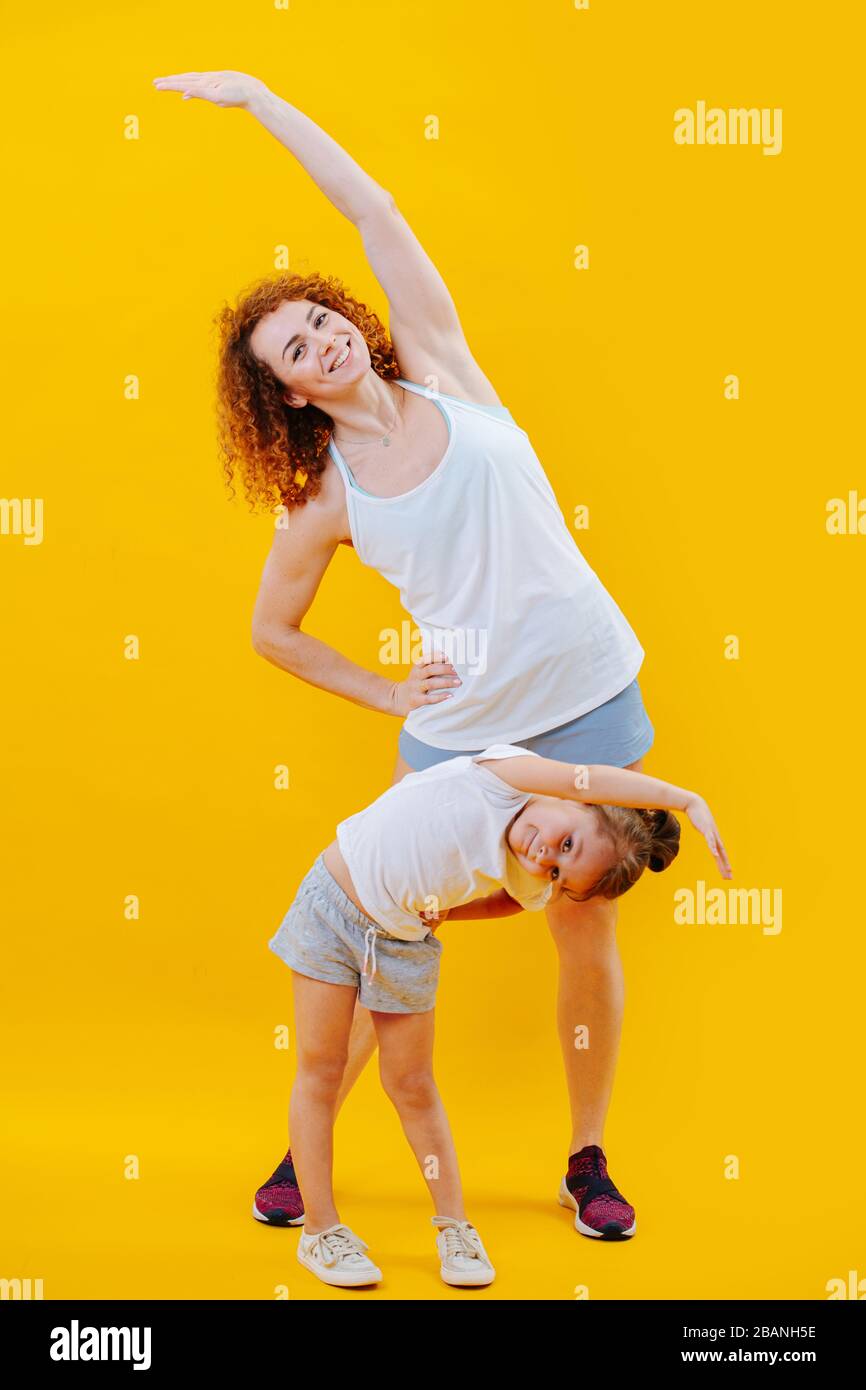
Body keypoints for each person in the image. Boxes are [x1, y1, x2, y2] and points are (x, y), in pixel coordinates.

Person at [154, 68, 694, 1240]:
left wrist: (259, 101)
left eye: (322, 318)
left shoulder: (440, 364)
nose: (325, 339)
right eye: (296, 347)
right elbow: (271, 633)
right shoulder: (325, 503)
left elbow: (376, 211)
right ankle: (312, 1148)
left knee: (581, 920)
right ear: (286, 393)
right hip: (465, 731)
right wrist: (390, 691)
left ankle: (585, 1156)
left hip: (588, 687)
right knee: (378, 922)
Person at [265, 745, 730, 1286]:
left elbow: (515, 900)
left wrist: (450, 913)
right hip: (331, 910)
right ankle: (321, 1231)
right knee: (322, 1069)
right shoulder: (506, 779)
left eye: (558, 869)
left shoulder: (533, 875)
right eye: (566, 841)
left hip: (403, 943)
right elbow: (590, 778)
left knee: (413, 1084)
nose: (543, 854)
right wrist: (685, 799)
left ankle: (454, 1227)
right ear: (572, 800)